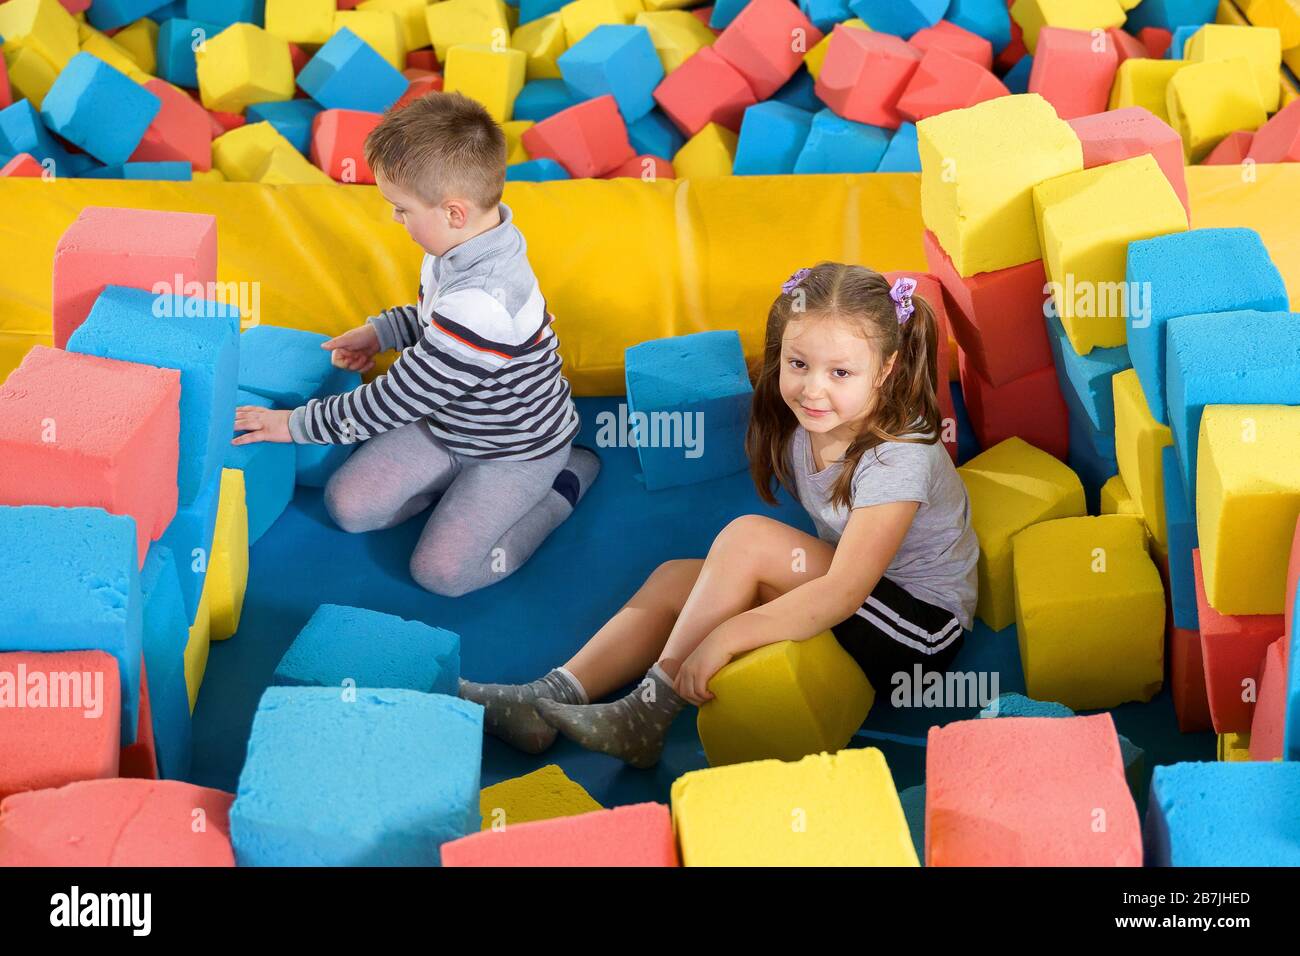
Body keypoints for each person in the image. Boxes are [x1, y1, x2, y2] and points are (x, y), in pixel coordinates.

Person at [460, 262, 980, 767]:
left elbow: (845, 589)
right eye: (798, 364)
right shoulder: (806, 426)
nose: (812, 388)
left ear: (886, 370)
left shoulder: (899, 455)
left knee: (748, 540)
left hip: (917, 632)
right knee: (676, 578)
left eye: (841, 372)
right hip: (864, 593)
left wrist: (726, 636)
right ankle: (547, 699)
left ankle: (649, 710)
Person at [231, 92, 598, 597]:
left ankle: (565, 482)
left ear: (453, 211)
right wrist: (382, 332)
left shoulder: (486, 299)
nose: (395, 220)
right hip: (448, 425)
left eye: (401, 209)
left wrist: (292, 425)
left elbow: (395, 399)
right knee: (349, 507)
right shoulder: (460, 243)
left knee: (443, 573)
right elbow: (433, 324)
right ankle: (452, 494)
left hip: (514, 451)